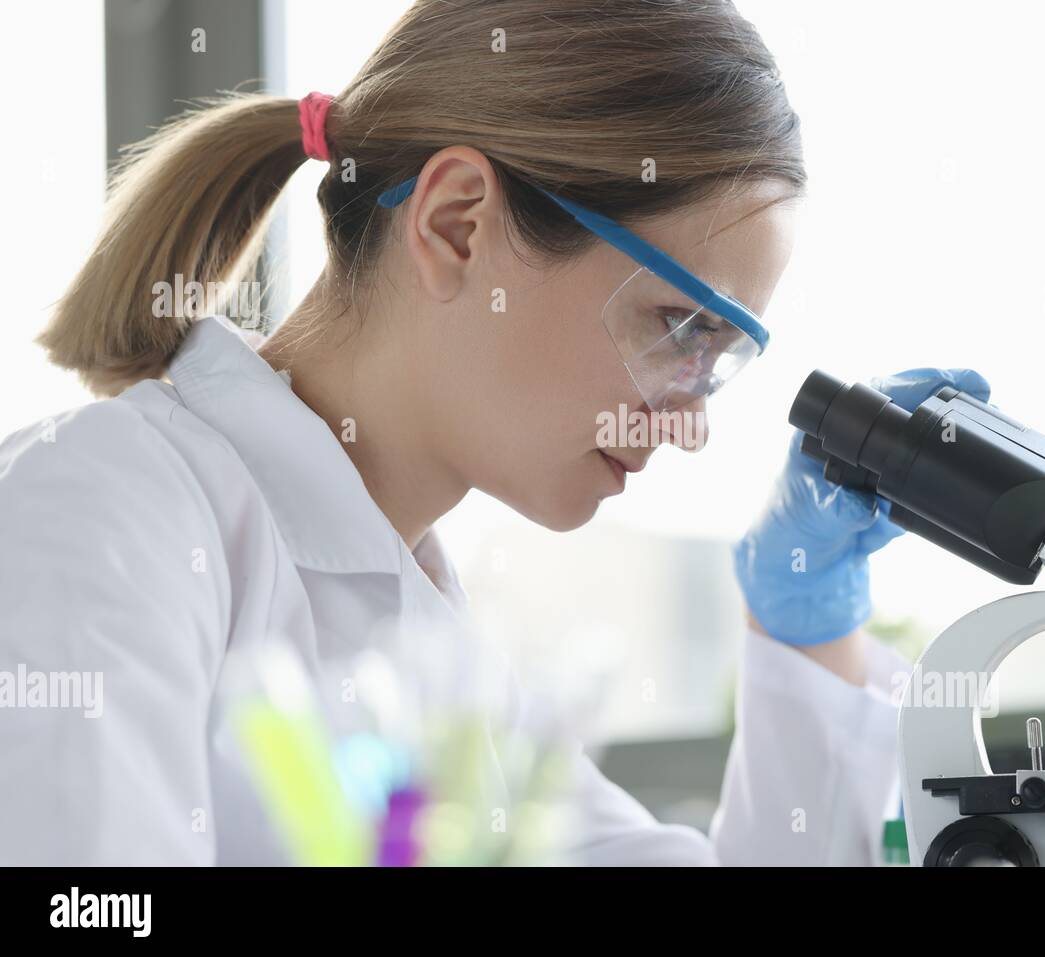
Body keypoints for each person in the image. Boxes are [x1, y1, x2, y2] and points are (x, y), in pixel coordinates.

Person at [0, 0, 987, 865]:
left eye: (720, 363)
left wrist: (804, 634)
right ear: (458, 224)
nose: (688, 422)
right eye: (680, 330)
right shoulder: (105, 507)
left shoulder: (440, 656)